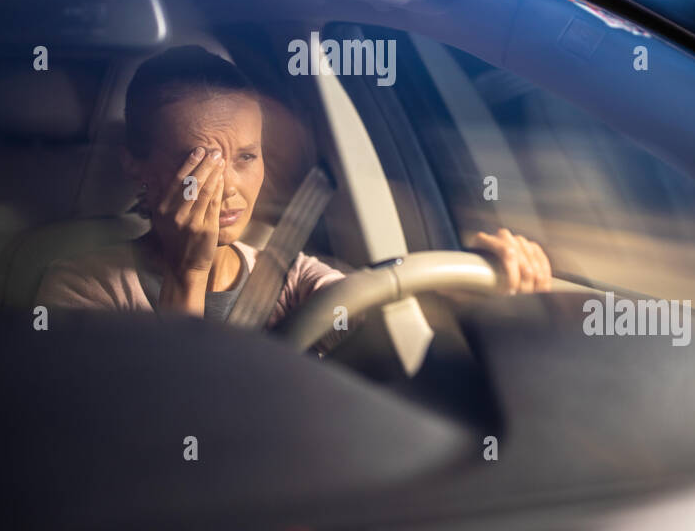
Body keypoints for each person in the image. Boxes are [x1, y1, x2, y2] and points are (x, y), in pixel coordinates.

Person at [37, 46, 551, 330]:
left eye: (246, 159)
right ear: (137, 166)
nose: (229, 188)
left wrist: (483, 287)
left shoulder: (289, 277)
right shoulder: (82, 288)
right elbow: (167, 433)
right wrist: (187, 273)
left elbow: (390, 325)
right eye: (202, 162)